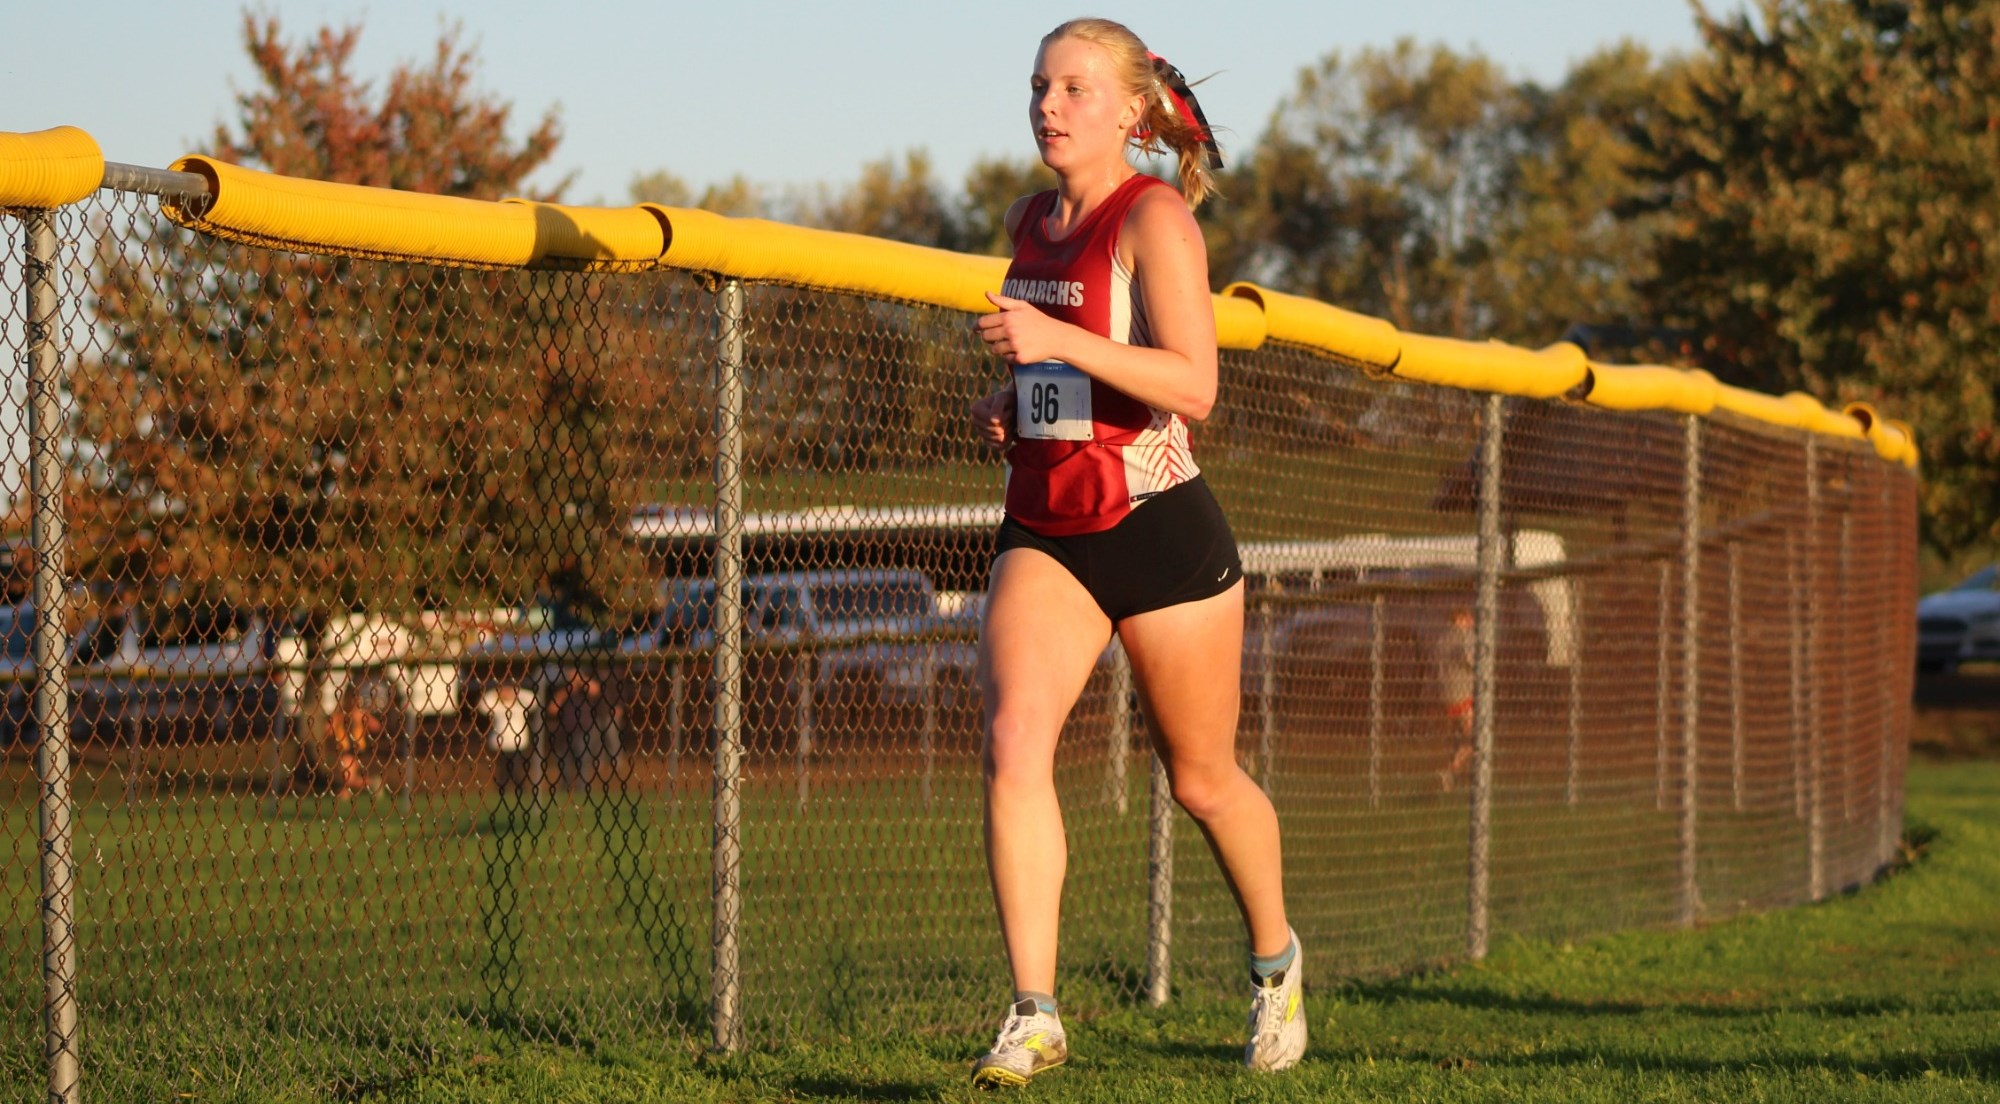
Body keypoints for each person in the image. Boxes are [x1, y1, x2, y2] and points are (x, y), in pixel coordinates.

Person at [964, 18, 1304, 1086]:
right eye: (1037, 86)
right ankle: (1034, 1012)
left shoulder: (1154, 217)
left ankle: (1276, 968)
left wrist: (1053, 342)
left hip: (1157, 528)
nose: (1048, 106)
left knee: (1200, 780)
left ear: (1129, 111)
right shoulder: (1027, 221)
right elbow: (1062, 378)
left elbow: (1192, 386)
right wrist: (1013, 400)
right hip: (1046, 525)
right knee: (1013, 741)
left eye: (1073, 88)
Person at [478, 679, 540, 795]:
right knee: (502, 770)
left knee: (516, 768)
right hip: (500, 744)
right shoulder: (496, 706)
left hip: (518, 743)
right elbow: (483, 705)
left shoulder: (520, 705)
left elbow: (534, 700)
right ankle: (502, 790)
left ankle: (521, 789)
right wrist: (496, 693)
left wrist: (516, 692)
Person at [326, 681, 383, 798]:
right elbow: (328, 730)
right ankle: (370, 783)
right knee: (346, 773)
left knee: (347, 773)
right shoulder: (339, 714)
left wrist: (363, 722)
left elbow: (376, 727)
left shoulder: (360, 714)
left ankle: (366, 784)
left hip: (356, 749)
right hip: (343, 749)